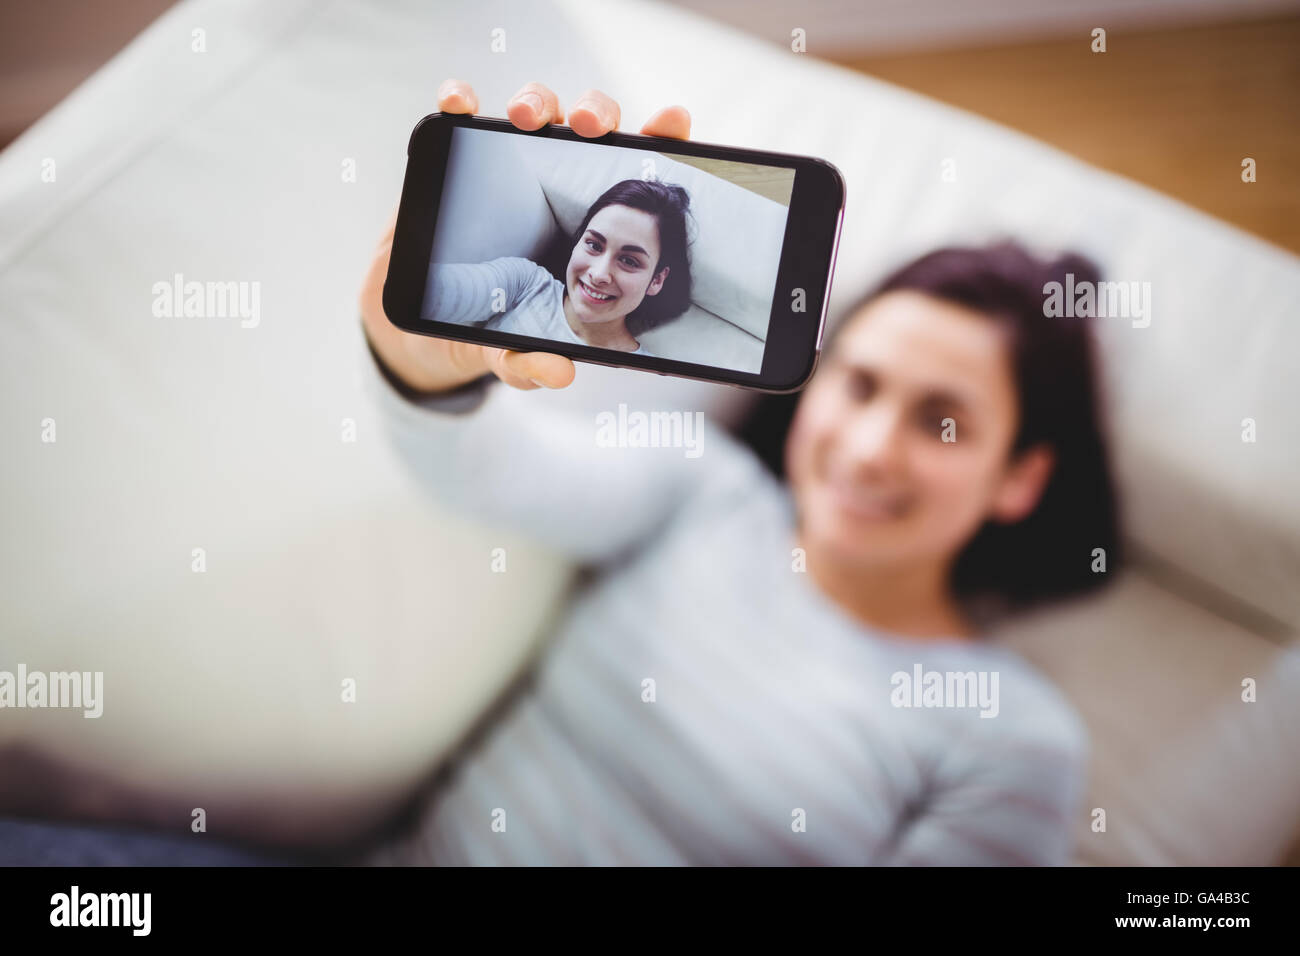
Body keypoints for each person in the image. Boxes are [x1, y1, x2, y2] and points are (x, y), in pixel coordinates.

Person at [356, 79, 1120, 865]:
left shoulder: (1011, 736)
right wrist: (419, 367)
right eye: (858, 385)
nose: (868, 449)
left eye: (940, 422)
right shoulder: (703, 488)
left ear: (1019, 477)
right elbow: (485, 472)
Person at [424, 178, 693, 359]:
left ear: (657, 279)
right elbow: (439, 291)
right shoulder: (524, 285)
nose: (599, 274)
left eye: (629, 261)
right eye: (594, 245)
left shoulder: (643, 373)